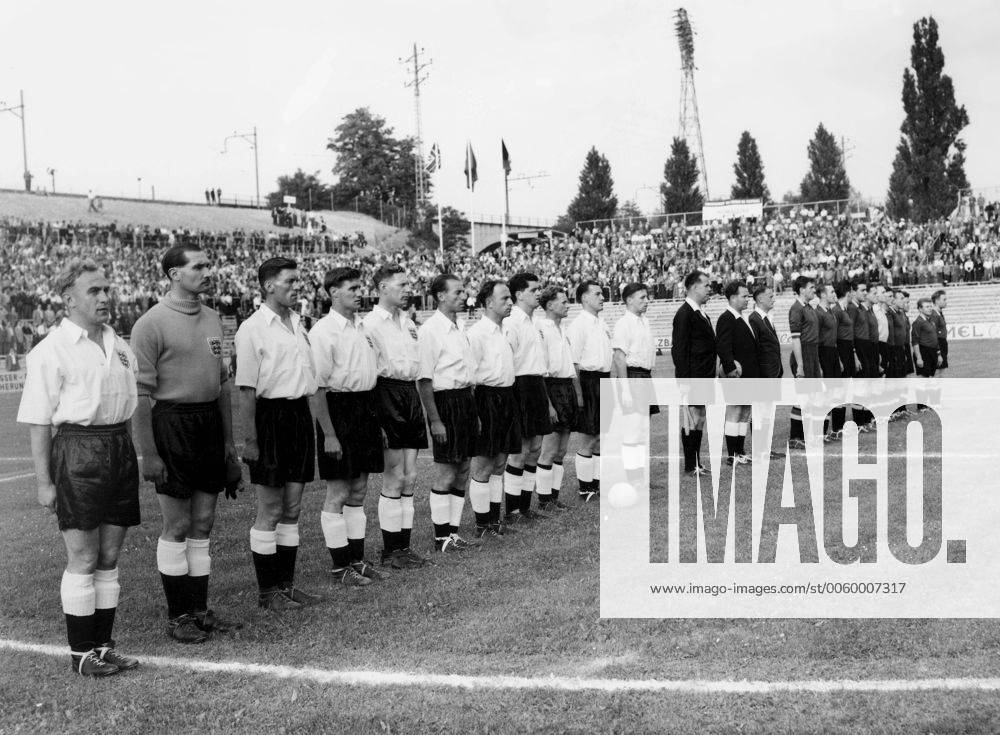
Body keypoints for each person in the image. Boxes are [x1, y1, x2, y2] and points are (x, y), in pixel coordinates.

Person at [17, 259, 141, 676]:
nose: (105, 297)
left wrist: (129, 456)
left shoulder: (119, 345)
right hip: (77, 451)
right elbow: (39, 421)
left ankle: (103, 646)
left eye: (106, 289)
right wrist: (44, 482)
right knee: (84, 556)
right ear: (69, 300)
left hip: (118, 447)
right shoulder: (50, 350)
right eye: (94, 291)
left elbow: (127, 410)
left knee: (109, 555)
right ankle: (82, 654)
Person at [130, 244, 242, 644]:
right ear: (175, 274)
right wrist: (149, 453)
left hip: (209, 423)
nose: (207, 271)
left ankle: (199, 610)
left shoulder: (213, 318)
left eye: (209, 264)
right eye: (198, 266)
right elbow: (140, 395)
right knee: (176, 525)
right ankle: (177, 615)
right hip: (172, 425)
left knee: (203, 523)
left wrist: (229, 446)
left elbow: (222, 385)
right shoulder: (150, 324)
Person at [234, 257, 320, 610]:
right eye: (290, 281)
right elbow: (246, 390)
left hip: (299, 416)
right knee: (270, 508)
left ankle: (286, 585)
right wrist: (251, 440)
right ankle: (268, 591)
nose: (297, 287)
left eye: (298, 281)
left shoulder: (298, 323)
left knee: (293, 507)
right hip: (270, 418)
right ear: (269, 286)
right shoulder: (252, 328)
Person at [309, 267, 384, 586]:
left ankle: (357, 560)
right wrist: (329, 434)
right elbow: (317, 389)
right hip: (338, 410)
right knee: (338, 491)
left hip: (365, 408)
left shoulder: (363, 327)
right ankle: (340, 567)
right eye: (352, 288)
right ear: (333, 293)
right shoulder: (323, 331)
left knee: (359, 489)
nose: (359, 293)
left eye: (359, 287)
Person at [362, 264, 428, 569]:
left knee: (410, 476)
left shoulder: (409, 322)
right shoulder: (370, 324)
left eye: (407, 284)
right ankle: (391, 551)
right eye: (401, 285)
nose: (407, 290)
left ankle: (404, 547)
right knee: (394, 475)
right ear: (382, 288)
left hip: (409, 394)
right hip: (385, 394)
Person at [416, 274, 481, 553]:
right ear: (441, 296)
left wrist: (474, 411)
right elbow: (424, 380)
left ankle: (453, 533)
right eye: (457, 292)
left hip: (466, 400)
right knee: (446, 471)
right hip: (445, 402)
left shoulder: (460, 326)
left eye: (464, 291)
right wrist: (435, 420)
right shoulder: (430, 330)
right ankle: (441, 536)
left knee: (463, 469)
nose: (463, 296)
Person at [467, 280, 521, 538]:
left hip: (507, 397)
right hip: (486, 398)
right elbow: (470, 377)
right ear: (489, 302)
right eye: (505, 298)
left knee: (500, 463)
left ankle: (494, 520)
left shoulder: (506, 330)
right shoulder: (477, 334)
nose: (510, 303)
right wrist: (475, 412)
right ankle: (482, 525)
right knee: (484, 464)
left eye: (510, 298)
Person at [502, 272, 557, 524]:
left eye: (539, 289)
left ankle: (524, 508)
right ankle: (512, 511)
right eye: (534, 290)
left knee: (535, 449)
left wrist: (545, 399)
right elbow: (508, 362)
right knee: (520, 451)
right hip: (519, 386)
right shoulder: (512, 321)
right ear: (519, 294)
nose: (539, 293)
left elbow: (538, 364)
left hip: (536, 385)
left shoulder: (534, 322)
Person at [565, 281, 612, 502]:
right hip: (588, 382)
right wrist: (579, 394)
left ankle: (596, 484)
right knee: (588, 437)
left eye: (602, 293)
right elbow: (574, 363)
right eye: (597, 294)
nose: (602, 297)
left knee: (601, 437)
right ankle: (585, 488)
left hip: (604, 380)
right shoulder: (578, 325)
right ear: (584, 298)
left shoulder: (602, 323)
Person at [535, 286, 580, 510]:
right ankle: (544, 500)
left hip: (566, 388)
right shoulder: (540, 328)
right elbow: (540, 369)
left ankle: (554, 497)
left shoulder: (563, 329)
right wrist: (548, 404)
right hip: (551, 387)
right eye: (563, 302)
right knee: (549, 450)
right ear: (550, 305)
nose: (567, 305)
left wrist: (576, 394)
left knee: (561, 451)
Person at [671, 270, 715, 475]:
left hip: (704, 375)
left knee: (700, 417)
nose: (710, 289)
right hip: (693, 376)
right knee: (693, 418)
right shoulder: (684, 313)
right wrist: (684, 380)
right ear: (694, 287)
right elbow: (679, 349)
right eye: (706, 285)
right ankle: (690, 465)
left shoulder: (701, 313)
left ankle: (696, 462)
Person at [613, 282, 657, 487]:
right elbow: (619, 357)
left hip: (645, 377)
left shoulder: (644, 321)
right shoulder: (624, 323)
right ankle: (632, 478)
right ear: (629, 300)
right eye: (642, 298)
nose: (646, 301)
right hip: (632, 377)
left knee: (643, 429)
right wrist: (626, 390)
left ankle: (640, 476)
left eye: (647, 297)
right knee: (632, 430)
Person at [715, 281, 757, 464]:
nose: (748, 299)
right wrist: (730, 368)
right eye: (744, 296)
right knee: (735, 411)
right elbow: (722, 346)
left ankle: (740, 452)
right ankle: (732, 455)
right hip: (735, 376)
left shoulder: (742, 317)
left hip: (748, 375)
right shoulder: (726, 318)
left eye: (748, 296)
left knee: (745, 412)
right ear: (732, 298)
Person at [787, 276, 819, 450]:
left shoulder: (809, 307)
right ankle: (795, 437)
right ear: (801, 290)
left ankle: (805, 434)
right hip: (803, 354)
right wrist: (800, 364)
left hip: (812, 354)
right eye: (811, 287)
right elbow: (796, 339)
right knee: (802, 397)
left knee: (811, 396)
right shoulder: (796, 309)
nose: (814, 290)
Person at [749, 285, 782, 379]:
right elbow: (755, 350)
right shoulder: (754, 319)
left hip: (775, 371)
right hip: (765, 374)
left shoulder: (767, 317)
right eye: (770, 297)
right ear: (760, 299)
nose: (773, 300)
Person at [912, 298, 941, 377]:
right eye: (927, 307)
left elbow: (935, 338)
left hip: (933, 352)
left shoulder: (931, 321)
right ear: (920, 309)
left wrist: (938, 354)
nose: (930, 308)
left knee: (931, 378)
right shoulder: (918, 322)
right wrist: (919, 358)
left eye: (931, 306)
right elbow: (915, 341)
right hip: (924, 352)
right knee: (924, 379)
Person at [930, 289, 948, 369]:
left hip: (942, 343)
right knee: (938, 371)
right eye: (944, 299)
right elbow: (933, 335)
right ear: (937, 301)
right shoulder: (934, 315)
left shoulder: (939, 313)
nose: (946, 302)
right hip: (938, 344)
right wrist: (938, 352)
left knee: (942, 370)